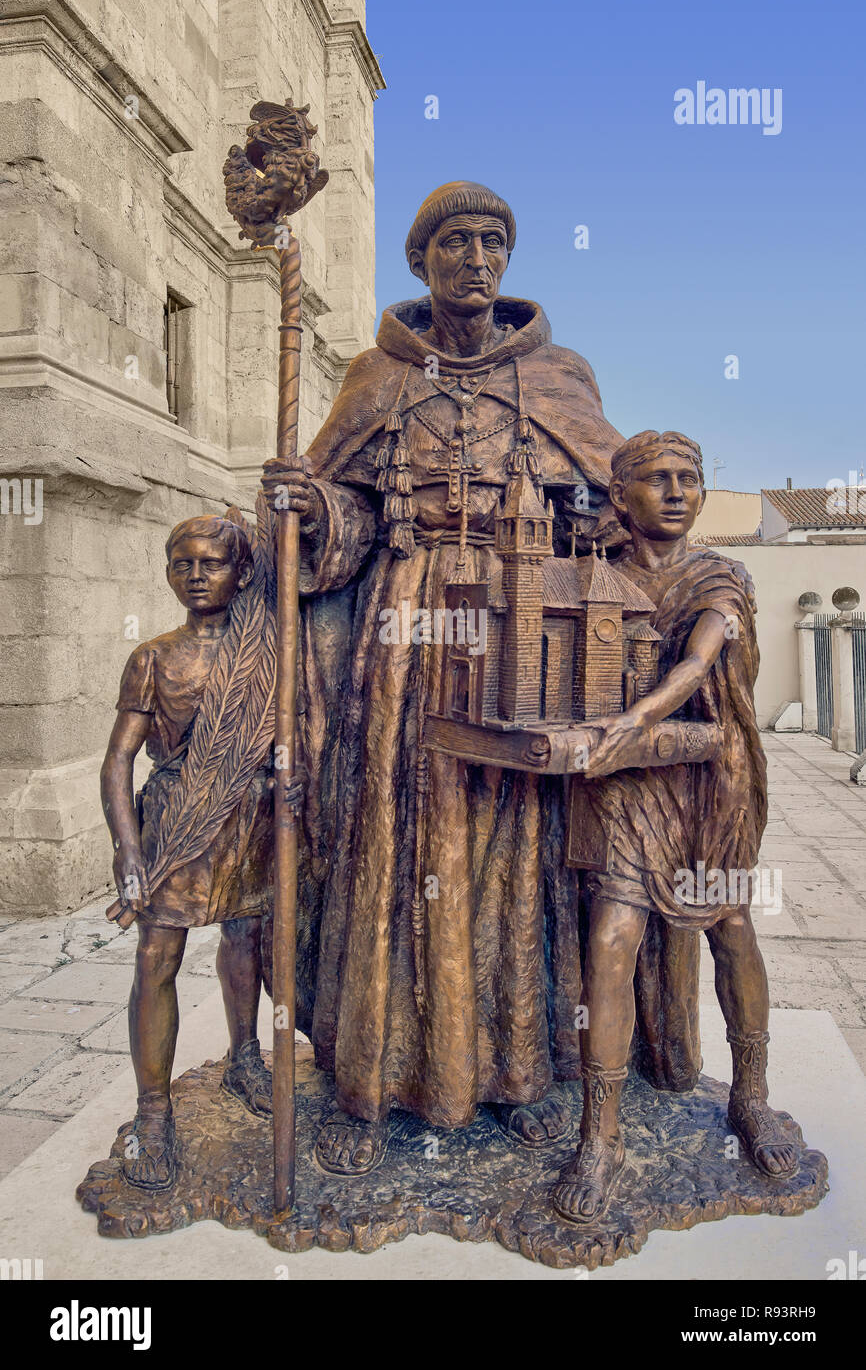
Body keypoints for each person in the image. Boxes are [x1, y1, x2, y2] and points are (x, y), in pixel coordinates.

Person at [260, 181, 629, 1174]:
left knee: (513, 834)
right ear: (421, 261)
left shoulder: (557, 376)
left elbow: (624, 496)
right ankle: (369, 1077)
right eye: (456, 242)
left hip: (515, 624)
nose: (477, 258)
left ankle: (518, 1072)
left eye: (493, 243)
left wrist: (600, 521)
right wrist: (310, 508)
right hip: (405, 626)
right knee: (389, 822)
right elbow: (336, 526)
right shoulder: (375, 377)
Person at [550, 431, 800, 1225]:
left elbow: (698, 662)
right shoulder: (599, 579)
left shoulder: (720, 575)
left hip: (709, 783)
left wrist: (635, 717)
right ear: (620, 497)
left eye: (688, 478)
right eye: (655, 479)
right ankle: (601, 1135)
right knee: (612, 938)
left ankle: (752, 1098)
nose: (677, 490)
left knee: (730, 928)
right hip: (628, 788)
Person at [101, 514, 296, 1190]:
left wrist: (286, 770)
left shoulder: (271, 655)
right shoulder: (153, 657)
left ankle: (246, 1059)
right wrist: (128, 853)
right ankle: (153, 1112)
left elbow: (294, 737)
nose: (196, 575)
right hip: (175, 822)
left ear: (241, 573)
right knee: (157, 956)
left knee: (246, 937)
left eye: (211, 563)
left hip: (249, 820)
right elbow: (118, 761)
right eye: (182, 563)